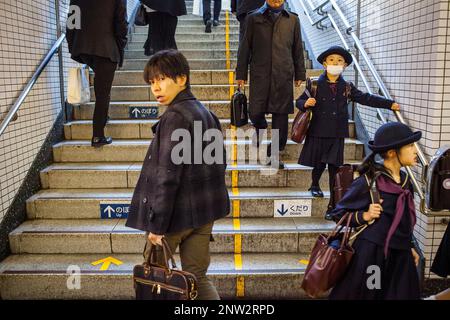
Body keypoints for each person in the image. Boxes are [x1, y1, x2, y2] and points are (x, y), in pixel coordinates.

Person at [125, 50, 230, 300]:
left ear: (182, 79)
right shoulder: (207, 113)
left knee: (156, 279)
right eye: (152, 82)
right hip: (204, 214)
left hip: (174, 218)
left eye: (161, 79)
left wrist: (157, 226)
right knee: (197, 279)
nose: (156, 88)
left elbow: (167, 176)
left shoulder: (174, 117)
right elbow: (219, 163)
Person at [295, 46, 400, 210]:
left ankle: (333, 205)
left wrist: (388, 104)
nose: (335, 63)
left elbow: (366, 98)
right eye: (331, 60)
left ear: (344, 66)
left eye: (339, 61)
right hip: (318, 131)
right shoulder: (314, 84)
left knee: (334, 169)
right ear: (324, 64)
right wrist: (305, 103)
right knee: (319, 164)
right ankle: (314, 185)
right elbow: (299, 102)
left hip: (337, 133)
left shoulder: (347, 87)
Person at [328, 122, 422, 300]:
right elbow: (338, 213)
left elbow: (403, 219)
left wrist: (409, 245)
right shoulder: (370, 182)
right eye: (410, 146)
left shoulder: (405, 180)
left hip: (401, 257)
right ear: (392, 152)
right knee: (372, 294)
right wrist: (364, 215)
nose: (415, 150)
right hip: (374, 257)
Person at [236, 0, 306, 169]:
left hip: (283, 75)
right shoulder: (253, 18)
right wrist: (241, 74)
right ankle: (260, 125)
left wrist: (300, 73)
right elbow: (244, 47)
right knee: (255, 112)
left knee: (280, 118)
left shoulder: (293, 20)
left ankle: (273, 154)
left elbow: (297, 49)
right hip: (260, 74)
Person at [66, 0, 128, 147]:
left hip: (84, 48)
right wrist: (120, 45)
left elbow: (71, 22)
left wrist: (73, 45)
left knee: (101, 88)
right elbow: (121, 23)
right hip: (106, 48)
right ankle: (98, 136)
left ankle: (103, 117)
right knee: (102, 94)